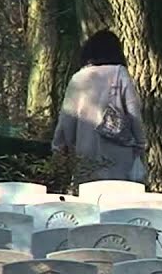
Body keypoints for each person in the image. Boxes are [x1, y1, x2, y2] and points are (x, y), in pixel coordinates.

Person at [52, 30, 149, 182]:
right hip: (119, 156)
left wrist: (59, 147)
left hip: (85, 156)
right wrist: (140, 145)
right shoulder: (119, 73)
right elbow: (133, 113)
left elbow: (66, 120)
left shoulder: (78, 79)